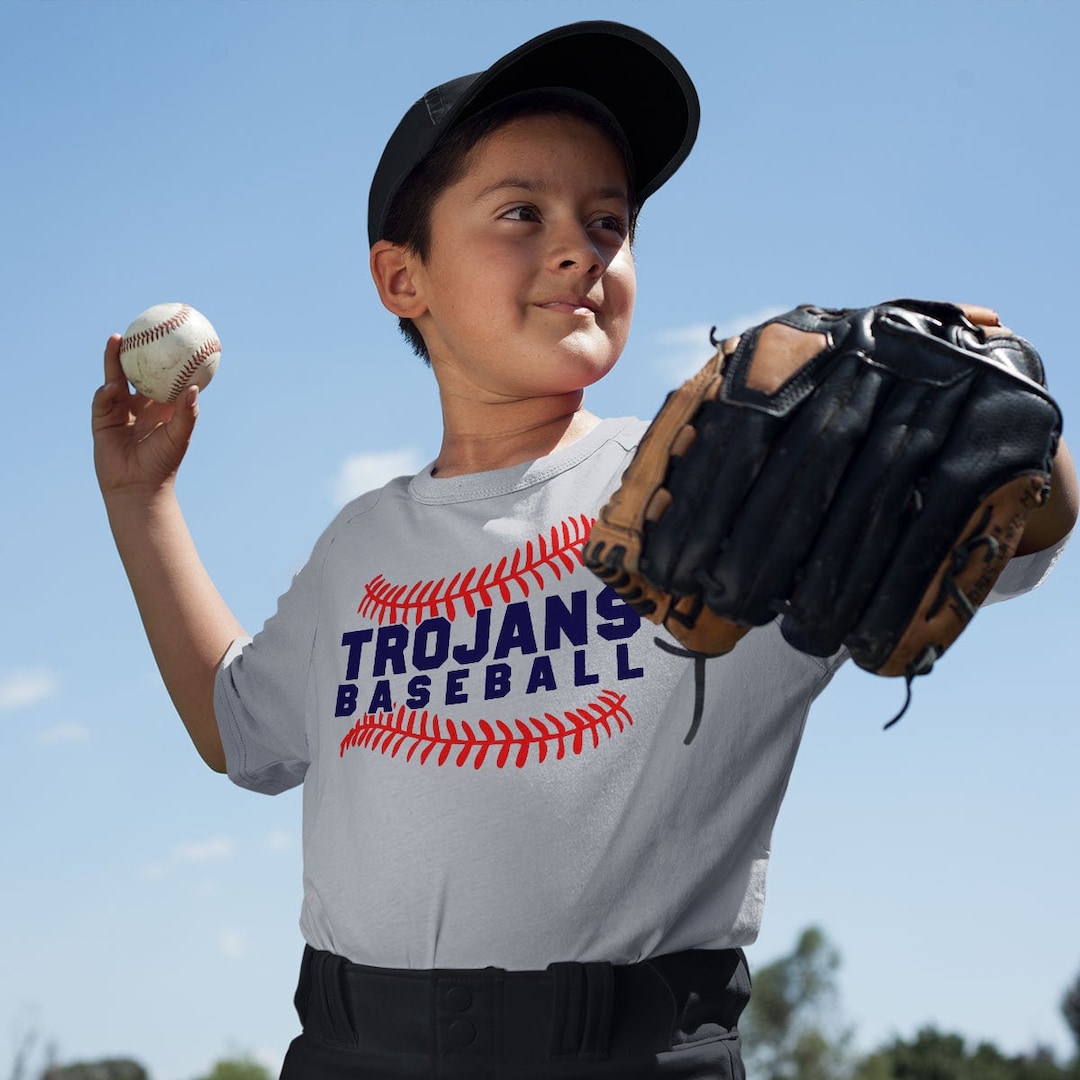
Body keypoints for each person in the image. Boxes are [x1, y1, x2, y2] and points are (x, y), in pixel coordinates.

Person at [91, 21, 1077, 1080]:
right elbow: (239, 730)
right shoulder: (362, 543)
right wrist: (140, 502)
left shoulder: (715, 472)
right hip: (349, 1051)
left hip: (629, 1054)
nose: (580, 246)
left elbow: (1017, 519)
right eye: (521, 212)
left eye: (607, 219)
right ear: (401, 278)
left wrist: (1011, 435)